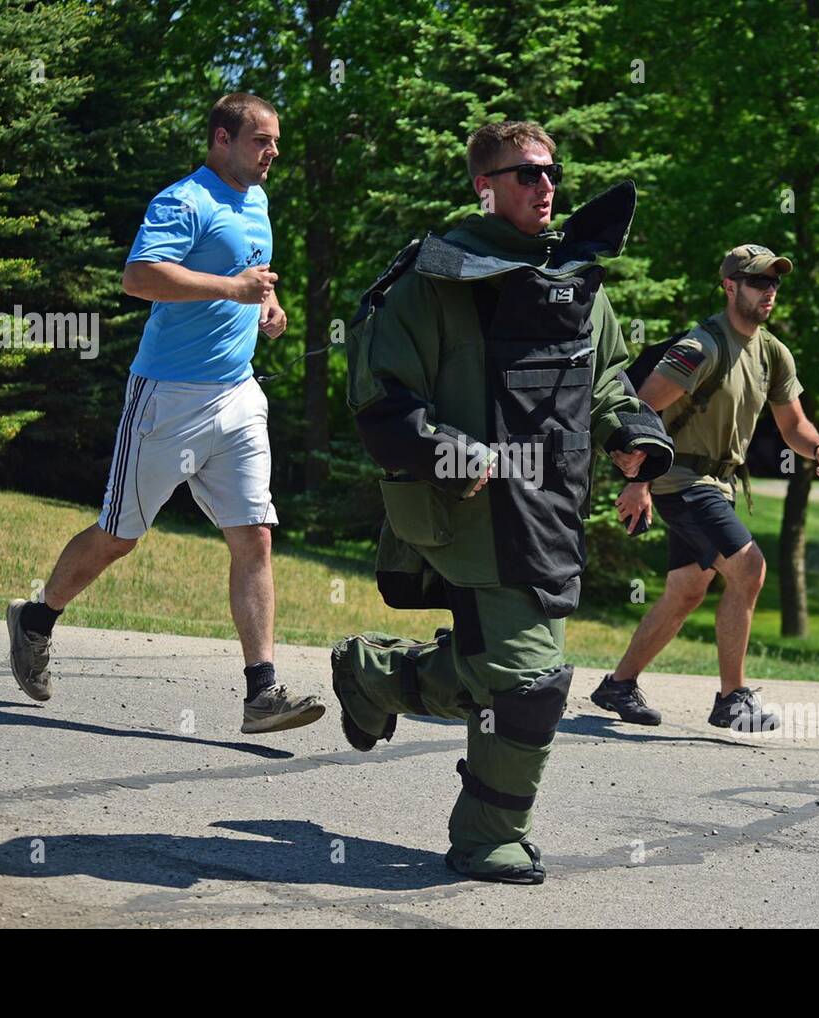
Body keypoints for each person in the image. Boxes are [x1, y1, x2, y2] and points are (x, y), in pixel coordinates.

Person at [333, 121, 673, 884]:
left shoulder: (573, 279)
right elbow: (383, 400)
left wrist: (630, 434)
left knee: (507, 671)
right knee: (529, 683)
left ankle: (378, 673)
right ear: (483, 186)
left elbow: (610, 379)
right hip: (467, 515)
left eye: (552, 174)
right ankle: (489, 836)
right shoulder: (432, 280)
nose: (546, 187)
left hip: (548, 513)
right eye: (526, 174)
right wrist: (451, 451)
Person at [5, 93, 324, 736]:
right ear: (221, 139)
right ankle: (36, 619)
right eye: (260, 140)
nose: (272, 152)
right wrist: (233, 290)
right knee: (119, 536)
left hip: (237, 394)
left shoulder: (256, 201)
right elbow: (141, 276)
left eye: (276, 141)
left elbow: (250, 275)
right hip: (167, 399)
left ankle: (261, 691)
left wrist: (264, 308)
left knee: (254, 534)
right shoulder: (184, 200)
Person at [590, 245, 819, 729]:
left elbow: (793, 426)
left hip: (717, 484)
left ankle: (618, 685)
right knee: (750, 570)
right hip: (680, 479)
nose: (768, 291)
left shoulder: (773, 353)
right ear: (730, 287)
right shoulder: (700, 347)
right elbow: (641, 409)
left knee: (686, 590)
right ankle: (732, 698)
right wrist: (638, 480)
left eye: (774, 283)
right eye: (757, 282)